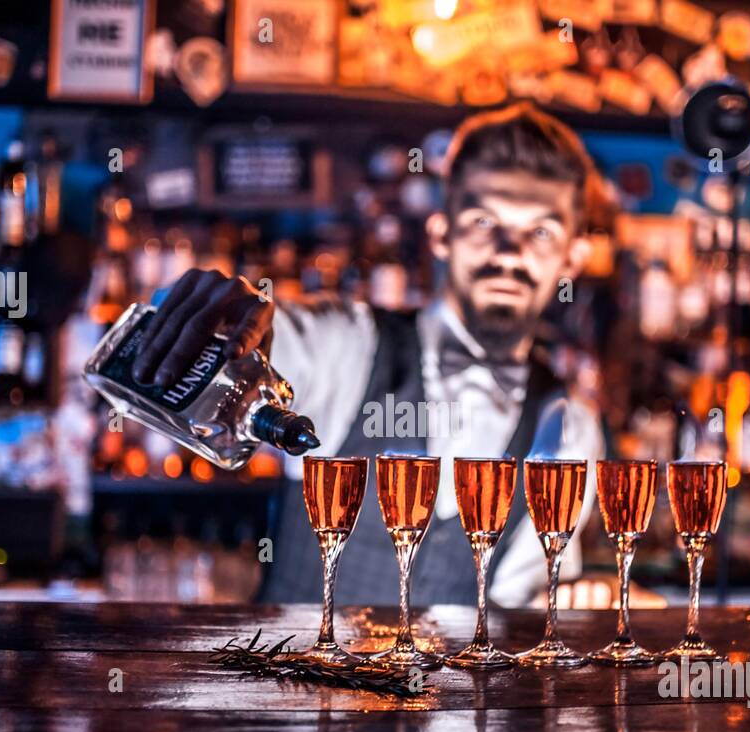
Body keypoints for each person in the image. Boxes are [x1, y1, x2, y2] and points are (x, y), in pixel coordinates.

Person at [131, 103, 605, 607]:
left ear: (573, 257)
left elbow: (522, 609)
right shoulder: (349, 344)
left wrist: (580, 605)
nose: (510, 252)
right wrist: (210, 319)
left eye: (541, 232)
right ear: (442, 232)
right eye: (485, 220)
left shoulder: (567, 425)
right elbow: (257, 346)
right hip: (288, 684)